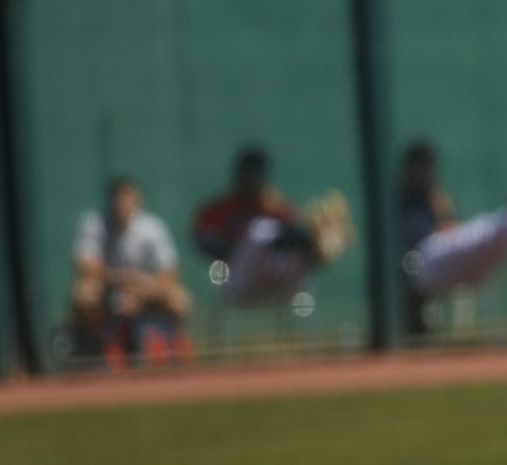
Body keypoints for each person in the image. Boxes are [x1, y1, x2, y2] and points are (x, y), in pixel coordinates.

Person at [397, 138, 507, 335]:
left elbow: (449, 222)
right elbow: (413, 235)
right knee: (480, 233)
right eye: (422, 164)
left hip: (451, 254)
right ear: (410, 167)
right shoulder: (398, 197)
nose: (427, 170)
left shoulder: (432, 194)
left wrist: (438, 202)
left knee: (484, 238)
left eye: (428, 164)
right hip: (422, 260)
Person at [190, 144, 354, 305]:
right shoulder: (220, 209)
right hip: (240, 277)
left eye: (256, 174)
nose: (252, 180)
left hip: (279, 278)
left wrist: (312, 244)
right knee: (258, 230)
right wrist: (231, 250)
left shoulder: (278, 207)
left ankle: (326, 242)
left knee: (300, 243)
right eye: (248, 174)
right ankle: (310, 240)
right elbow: (201, 237)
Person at [67, 174, 192, 366]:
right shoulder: (94, 223)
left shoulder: (152, 227)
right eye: (119, 199)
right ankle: (96, 348)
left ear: (138, 200)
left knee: (181, 300)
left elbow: (170, 274)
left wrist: (139, 296)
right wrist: (121, 279)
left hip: (143, 290)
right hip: (108, 288)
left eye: (128, 199)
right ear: (111, 201)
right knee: (83, 294)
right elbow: (84, 267)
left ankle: (172, 349)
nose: (123, 205)